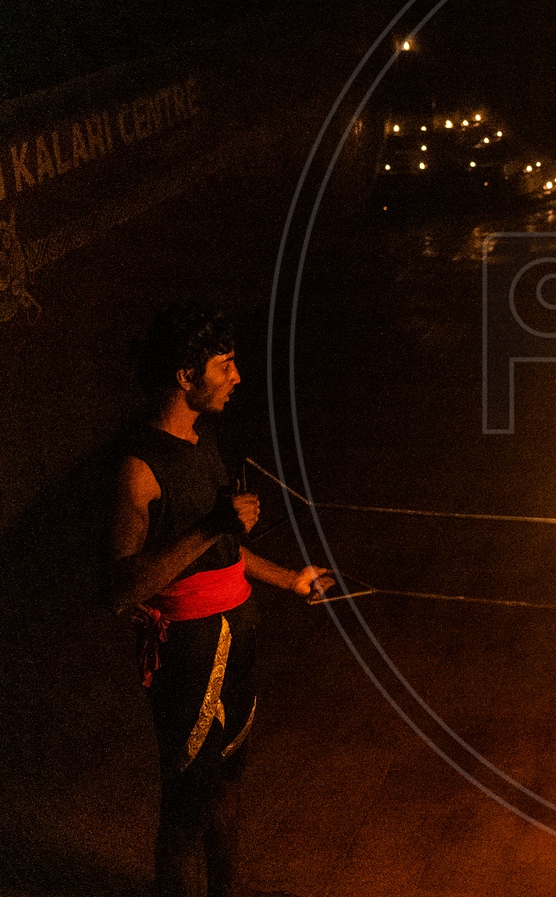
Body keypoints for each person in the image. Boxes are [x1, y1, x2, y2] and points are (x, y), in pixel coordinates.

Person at [108, 304, 332, 897]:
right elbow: (121, 590)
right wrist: (211, 525)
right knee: (185, 807)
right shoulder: (138, 469)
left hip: (237, 636)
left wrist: (289, 579)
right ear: (186, 376)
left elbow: (220, 555)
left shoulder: (203, 441)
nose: (237, 377)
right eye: (225, 364)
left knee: (228, 786)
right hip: (188, 654)